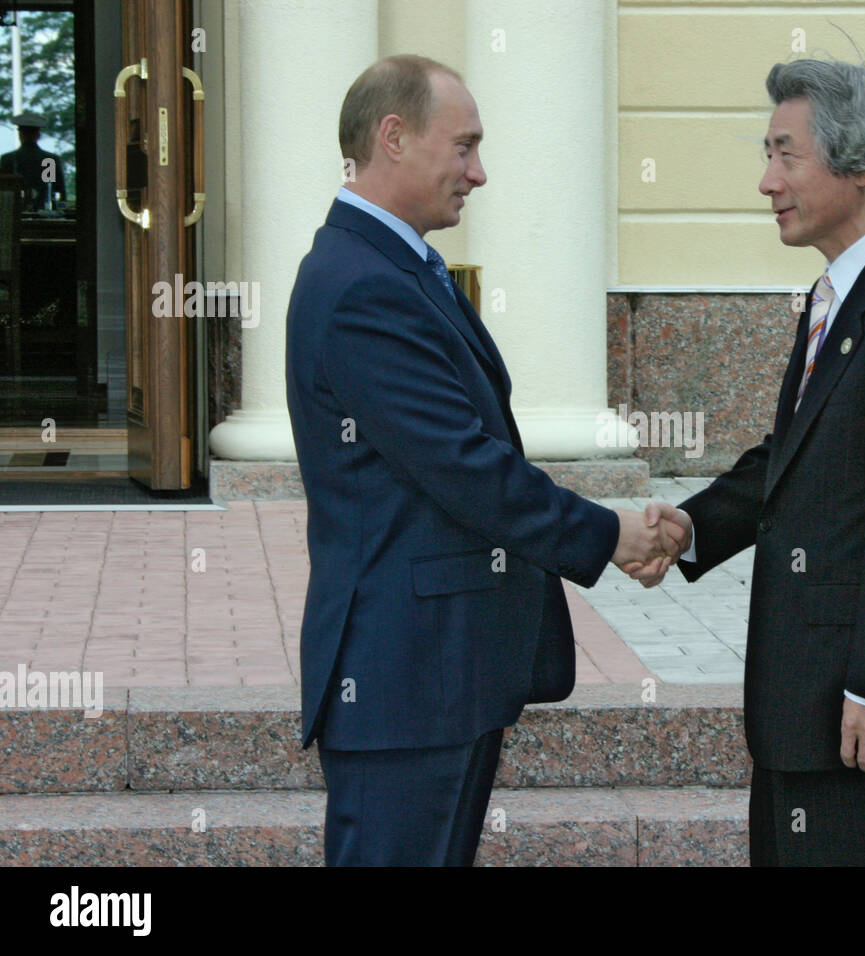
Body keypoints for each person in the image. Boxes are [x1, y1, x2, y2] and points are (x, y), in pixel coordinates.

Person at [284, 55, 687, 866]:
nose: (479, 172)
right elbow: (464, 466)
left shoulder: (395, 268)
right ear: (393, 138)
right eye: (463, 147)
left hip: (439, 672)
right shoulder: (363, 284)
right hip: (404, 679)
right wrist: (610, 533)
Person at [628, 59, 865, 865]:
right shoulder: (843, 292)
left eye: (786, 154)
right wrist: (691, 525)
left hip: (853, 714)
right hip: (802, 703)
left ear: (858, 166)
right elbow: (792, 460)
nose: (765, 180)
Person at [0, 112, 65, 211]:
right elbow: (56, 191)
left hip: (16, 214)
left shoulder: (9, 159)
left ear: (20, 134)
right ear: (38, 135)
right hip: (44, 213)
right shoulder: (49, 160)